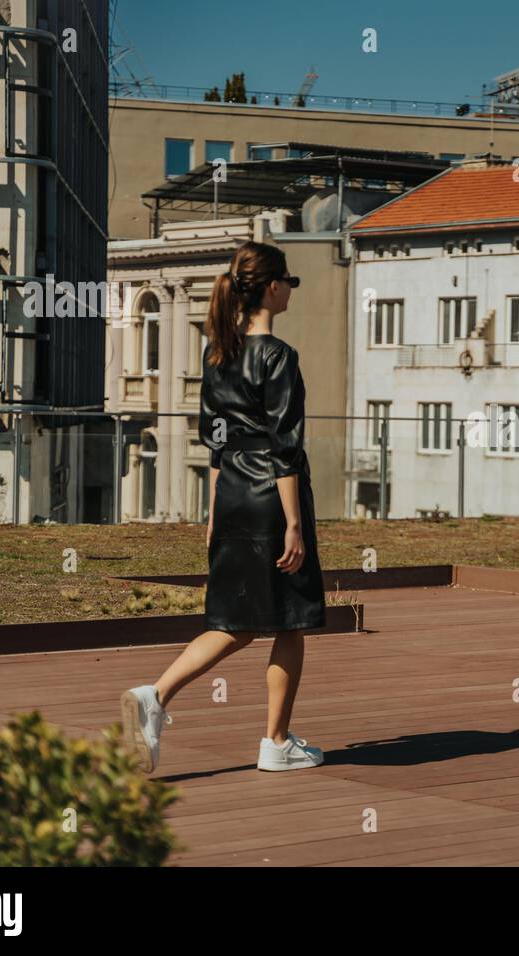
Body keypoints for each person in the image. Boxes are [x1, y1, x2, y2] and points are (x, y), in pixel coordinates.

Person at [120, 240, 327, 773]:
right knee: (290, 622)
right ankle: (275, 743)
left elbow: (214, 441)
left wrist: (214, 512)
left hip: (232, 493)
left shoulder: (217, 354)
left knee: (235, 621)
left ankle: (155, 695)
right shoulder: (278, 356)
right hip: (271, 499)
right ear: (273, 288)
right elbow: (284, 447)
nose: (290, 291)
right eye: (288, 282)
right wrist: (295, 525)